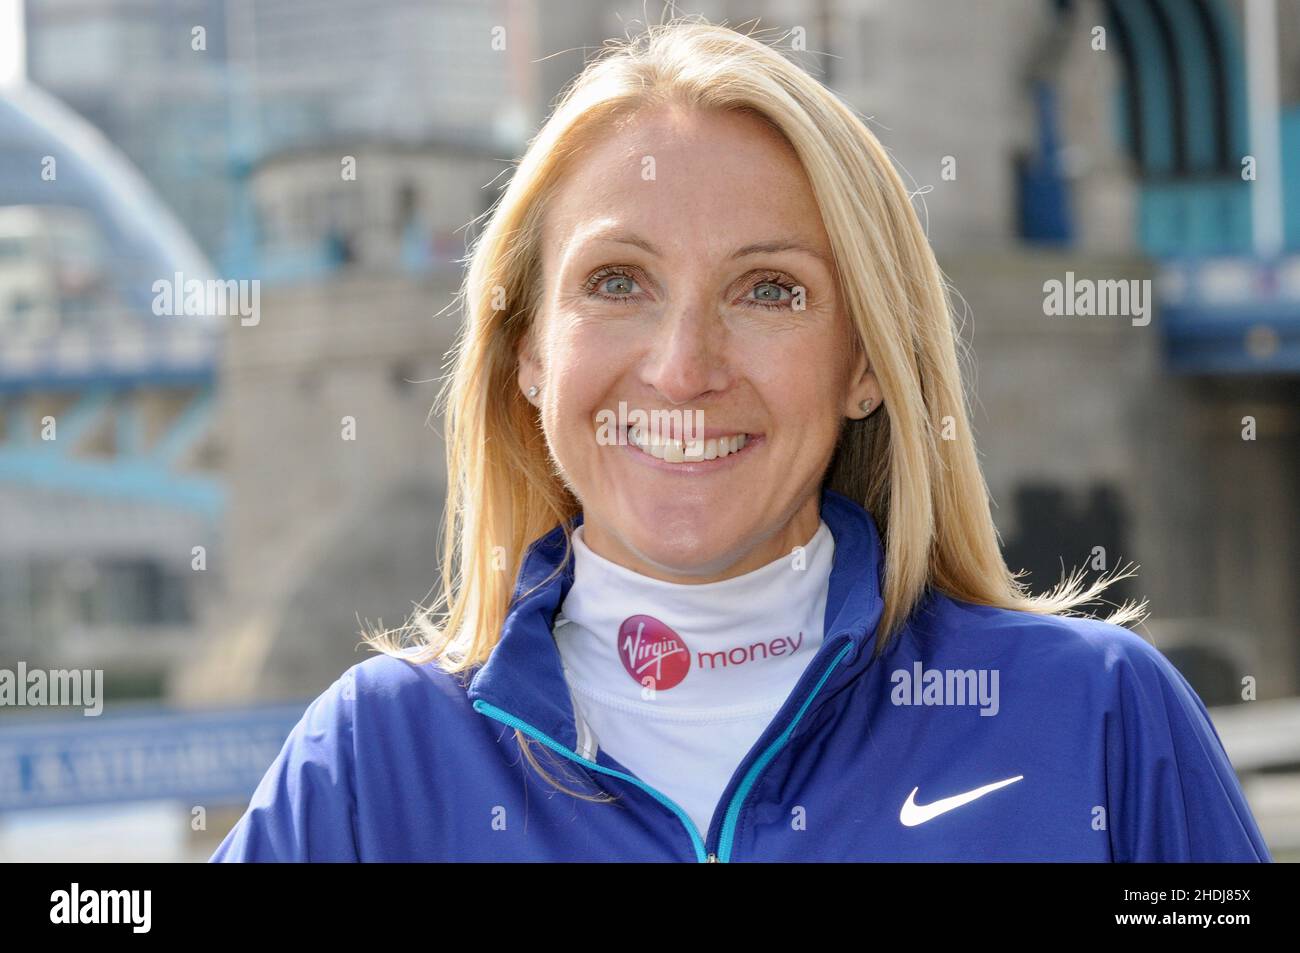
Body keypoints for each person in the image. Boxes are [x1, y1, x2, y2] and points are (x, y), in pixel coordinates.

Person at [211, 19, 1271, 862]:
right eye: (616, 281)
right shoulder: (371, 764)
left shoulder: (1096, 722)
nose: (682, 365)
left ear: (865, 362)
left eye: (770, 289)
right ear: (528, 348)